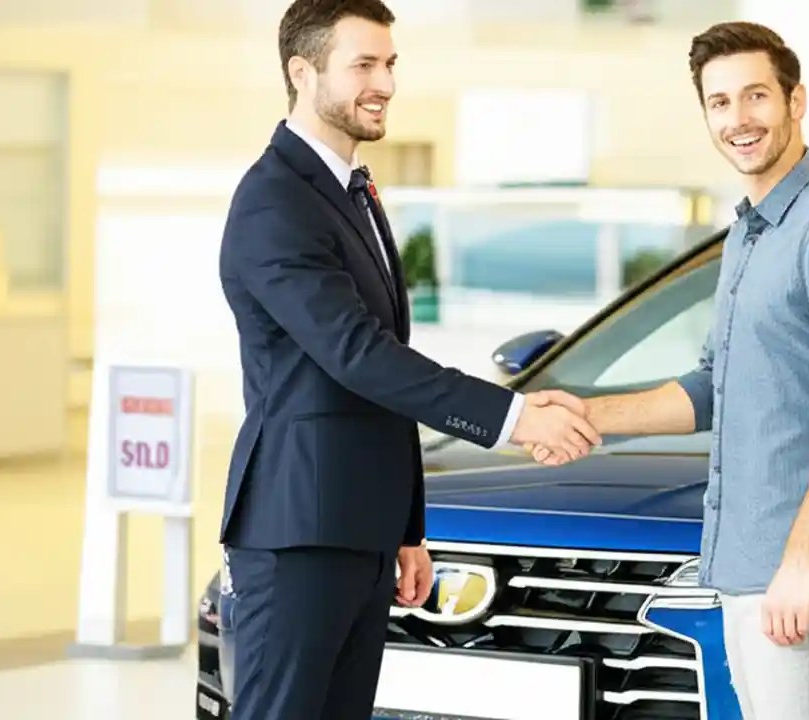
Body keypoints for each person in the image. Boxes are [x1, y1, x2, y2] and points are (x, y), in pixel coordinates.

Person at [215, 1, 601, 718]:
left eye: (390, 64)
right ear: (302, 72)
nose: (386, 84)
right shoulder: (275, 201)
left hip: (354, 530)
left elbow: (383, 368)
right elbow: (358, 355)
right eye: (363, 65)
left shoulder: (349, 192)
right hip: (298, 535)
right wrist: (514, 417)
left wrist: (403, 530)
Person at [530, 21, 809, 719]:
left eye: (756, 96)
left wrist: (801, 559)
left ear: (796, 101)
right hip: (746, 570)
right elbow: (712, 387)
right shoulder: (749, 232)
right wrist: (585, 415)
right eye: (719, 102)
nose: (738, 119)